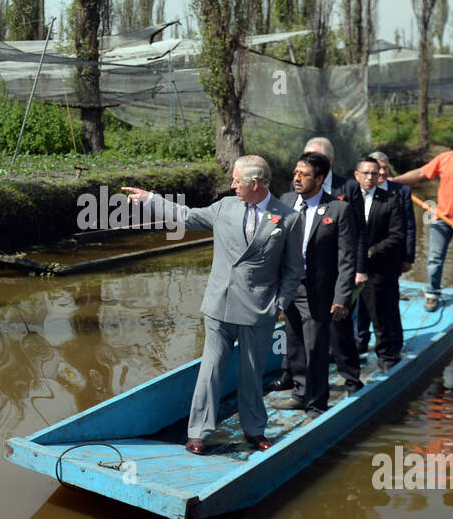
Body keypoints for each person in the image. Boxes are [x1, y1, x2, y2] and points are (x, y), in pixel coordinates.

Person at [122, 154, 302, 454]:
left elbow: (294, 269)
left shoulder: (288, 218)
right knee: (210, 370)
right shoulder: (223, 207)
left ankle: (254, 429)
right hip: (219, 305)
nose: (232, 185)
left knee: (252, 372)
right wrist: (150, 199)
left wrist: (279, 304)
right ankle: (198, 432)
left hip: (259, 309)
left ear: (254, 183)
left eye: (236, 180)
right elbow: (186, 215)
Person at [273, 151, 361, 416]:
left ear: (320, 178)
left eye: (305, 175)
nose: (297, 179)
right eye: (296, 173)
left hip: (319, 289)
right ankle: (300, 393)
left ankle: (316, 403)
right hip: (289, 286)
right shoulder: (286, 201)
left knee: (316, 347)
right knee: (295, 342)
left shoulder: (338, 209)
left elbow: (347, 258)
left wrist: (342, 297)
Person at [390, 126, 453, 313]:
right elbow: (422, 173)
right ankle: (432, 294)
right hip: (441, 217)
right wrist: (397, 180)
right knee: (435, 258)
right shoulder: (445, 158)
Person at [355, 150, 414, 353]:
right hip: (356, 266)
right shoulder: (351, 197)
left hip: (385, 263)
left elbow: (405, 229)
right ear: (358, 174)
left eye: (381, 170)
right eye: (370, 171)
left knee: (386, 310)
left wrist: (408, 257)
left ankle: (390, 350)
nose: (376, 175)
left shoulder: (396, 195)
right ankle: (360, 343)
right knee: (360, 308)